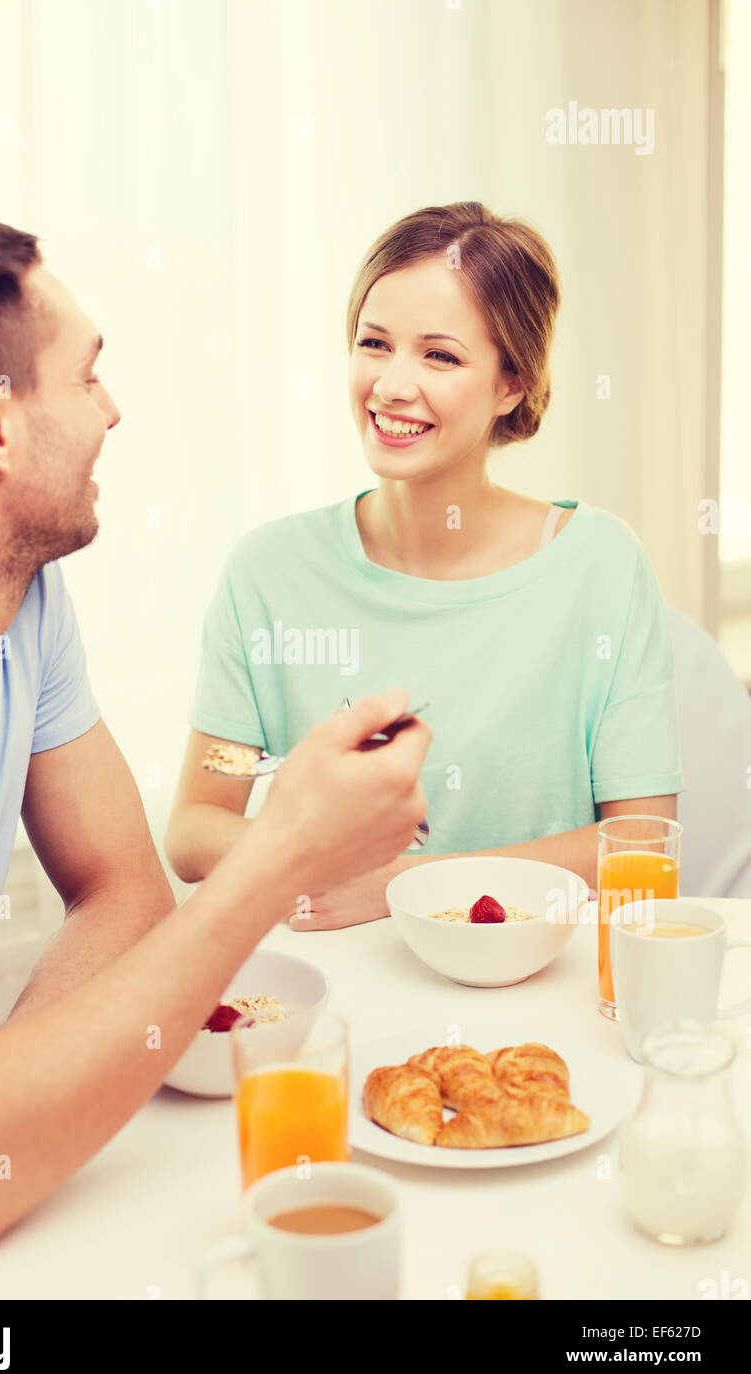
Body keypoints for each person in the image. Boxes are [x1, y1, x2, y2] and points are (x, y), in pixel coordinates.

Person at [0, 209, 431, 1279]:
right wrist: (280, 854)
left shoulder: (17, 591)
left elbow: (123, 888)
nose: (113, 413)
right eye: (86, 377)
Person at [166, 201, 684, 930]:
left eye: (439, 355)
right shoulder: (268, 575)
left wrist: (402, 887)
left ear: (511, 384)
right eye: (374, 344)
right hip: (333, 987)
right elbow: (195, 823)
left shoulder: (601, 567)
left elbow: (640, 849)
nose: (390, 386)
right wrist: (310, 864)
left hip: (533, 990)